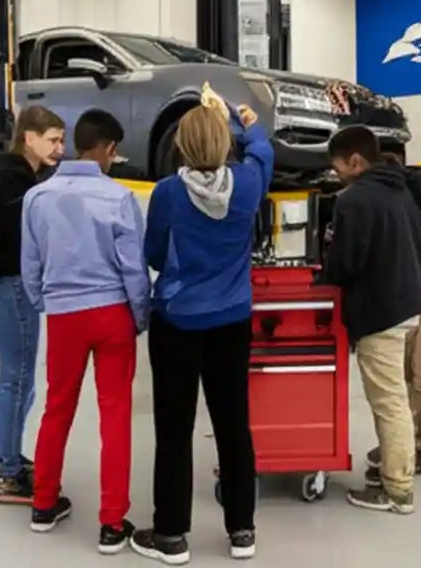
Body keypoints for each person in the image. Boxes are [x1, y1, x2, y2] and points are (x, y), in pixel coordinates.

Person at [130, 102, 272, 565]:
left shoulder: (169, 193)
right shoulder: (249, 183)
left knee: (175, 428)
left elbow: (153, 253)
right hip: (232, 320)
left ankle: (171, 535)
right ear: (226, 143)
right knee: (233, 425)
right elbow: (263, 150)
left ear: (181, 146)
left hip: (178, 322)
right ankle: (242, 531)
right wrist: (247, 123)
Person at [20, 108, 151, 554]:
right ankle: (112, 524)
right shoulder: (117, 198)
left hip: (64, 316)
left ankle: (42, 503)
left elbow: (30, 265)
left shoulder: (38, 197)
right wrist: (139, 314)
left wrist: (47, 302)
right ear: (110, 149)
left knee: (57, 407)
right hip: (112, 311)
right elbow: (134, 267)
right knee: (114, 416)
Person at [0, 105, 65, 504]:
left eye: (62, 140)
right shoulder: (7, 180)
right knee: (17, 380)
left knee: (17, 380)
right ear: (29, 138)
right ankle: (8, 470)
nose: (59, 148)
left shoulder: (17, 176)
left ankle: (7, 457)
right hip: (9, 286)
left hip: (8, 285)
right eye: (53, 139)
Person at [321, 126, 421, 515]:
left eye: (337, 168)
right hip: (409, 302)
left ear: (354, 161)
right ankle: (393, 467)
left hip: (381, 312)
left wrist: (325, 271)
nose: (335, 176)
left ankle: (397, 489)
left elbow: (345, 265)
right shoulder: (399, 186)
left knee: (388, 401)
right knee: (396, 392)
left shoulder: (354, 200)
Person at [364, 154, 421, 478]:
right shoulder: (406, 189)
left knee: (413, 372)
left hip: (413, 292)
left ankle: (419, 450)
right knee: (408, 372)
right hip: (413, 289)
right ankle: (405, 444)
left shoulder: (402, 191)